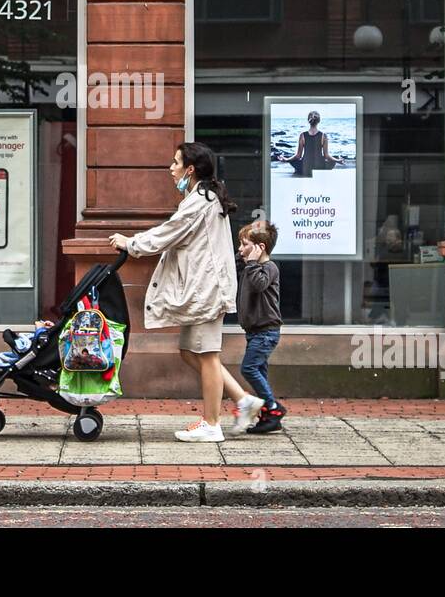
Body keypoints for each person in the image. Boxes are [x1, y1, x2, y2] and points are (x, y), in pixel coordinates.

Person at [109, 142, 261, 442]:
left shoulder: (200, 200)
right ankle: (243, 400)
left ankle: (212, 424)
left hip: (206, 290)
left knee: (205, 355)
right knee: (192, 352)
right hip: (201, 288)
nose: (171, 167)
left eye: (175, 162)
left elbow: (169, 232)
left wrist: (131, 243)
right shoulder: (202, 197)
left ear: (189, 169)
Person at [236, 221, 286, 433]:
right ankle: (269, 414)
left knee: (248, 368)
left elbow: (259, 285)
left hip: (266, 332)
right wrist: (247, 262)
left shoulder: (268, 268)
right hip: (255, 332)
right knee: (260, 374)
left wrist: (252, 263)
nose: (239, 248)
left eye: (244, 244)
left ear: (259, 248)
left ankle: (273, 408)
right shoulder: (250, 267)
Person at [279, 110, 338, 178]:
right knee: (335, 158)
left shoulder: (302, 135)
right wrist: (338, 160)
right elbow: (326, 156)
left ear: (308, 120)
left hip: (305, 168)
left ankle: (298, 171)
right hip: (319, 167)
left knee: (292, 159)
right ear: (319, 121)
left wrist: (286, 159)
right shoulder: (324, 136)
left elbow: (298, 156)